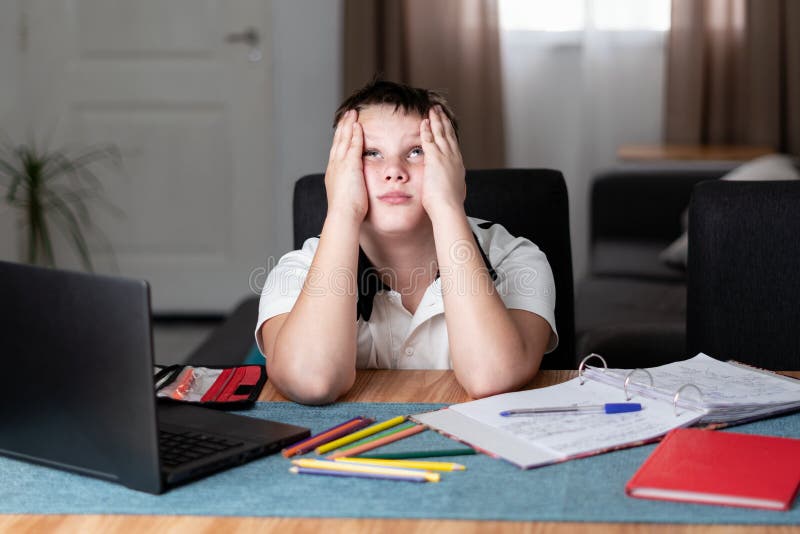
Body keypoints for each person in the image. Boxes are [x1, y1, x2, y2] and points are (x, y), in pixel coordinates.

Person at [255, 79, 558, 405]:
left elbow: (490, 378)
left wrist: (447, 205)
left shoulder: (517, 260)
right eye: (371, 153)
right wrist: (342, 209)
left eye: (416, 152)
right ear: (341, 169)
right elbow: (312, 381)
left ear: (452, 167)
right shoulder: (297, 272)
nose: (394, 171)